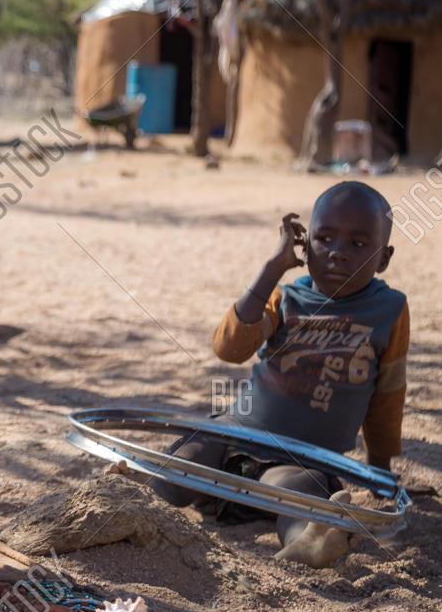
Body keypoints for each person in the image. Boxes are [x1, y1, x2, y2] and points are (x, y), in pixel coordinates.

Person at [150, 181, 409, 567]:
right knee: (183, 465)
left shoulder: (388, 310)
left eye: (358, 244)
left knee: (305, 495)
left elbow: (387, 392)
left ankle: (311, 543)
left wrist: (381, 470)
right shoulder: (285, 298)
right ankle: (142, 489)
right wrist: (271, 269)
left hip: (299, 461)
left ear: (384, 258)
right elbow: (229, 348)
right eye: (324, 239)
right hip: (234, 435)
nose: (337, 253)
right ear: (304, 248)